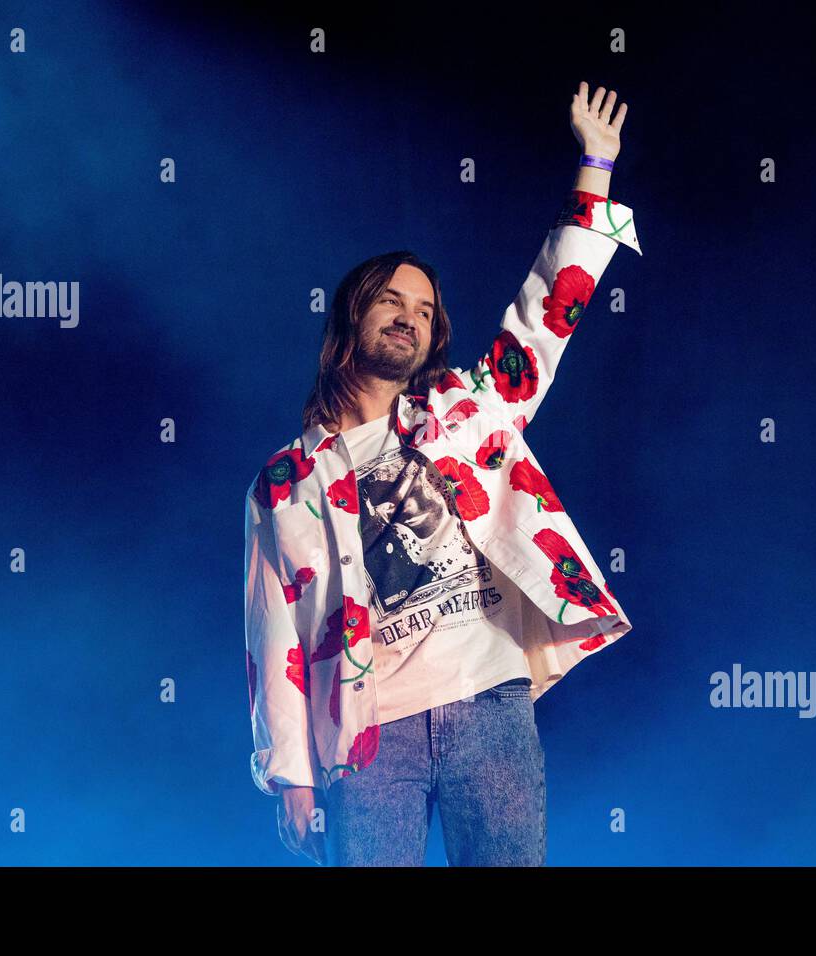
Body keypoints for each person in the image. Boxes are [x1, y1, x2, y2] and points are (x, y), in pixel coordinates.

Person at [245, 80, 643, 865]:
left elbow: (544, 320)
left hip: (489, 703)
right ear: (351, 319)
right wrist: (289, 775)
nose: (408, 317)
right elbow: (272, 635)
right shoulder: (285, 482)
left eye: (425, 311)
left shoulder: (466, 409)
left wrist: (595, 167)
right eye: (390, 302)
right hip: (366, 736)